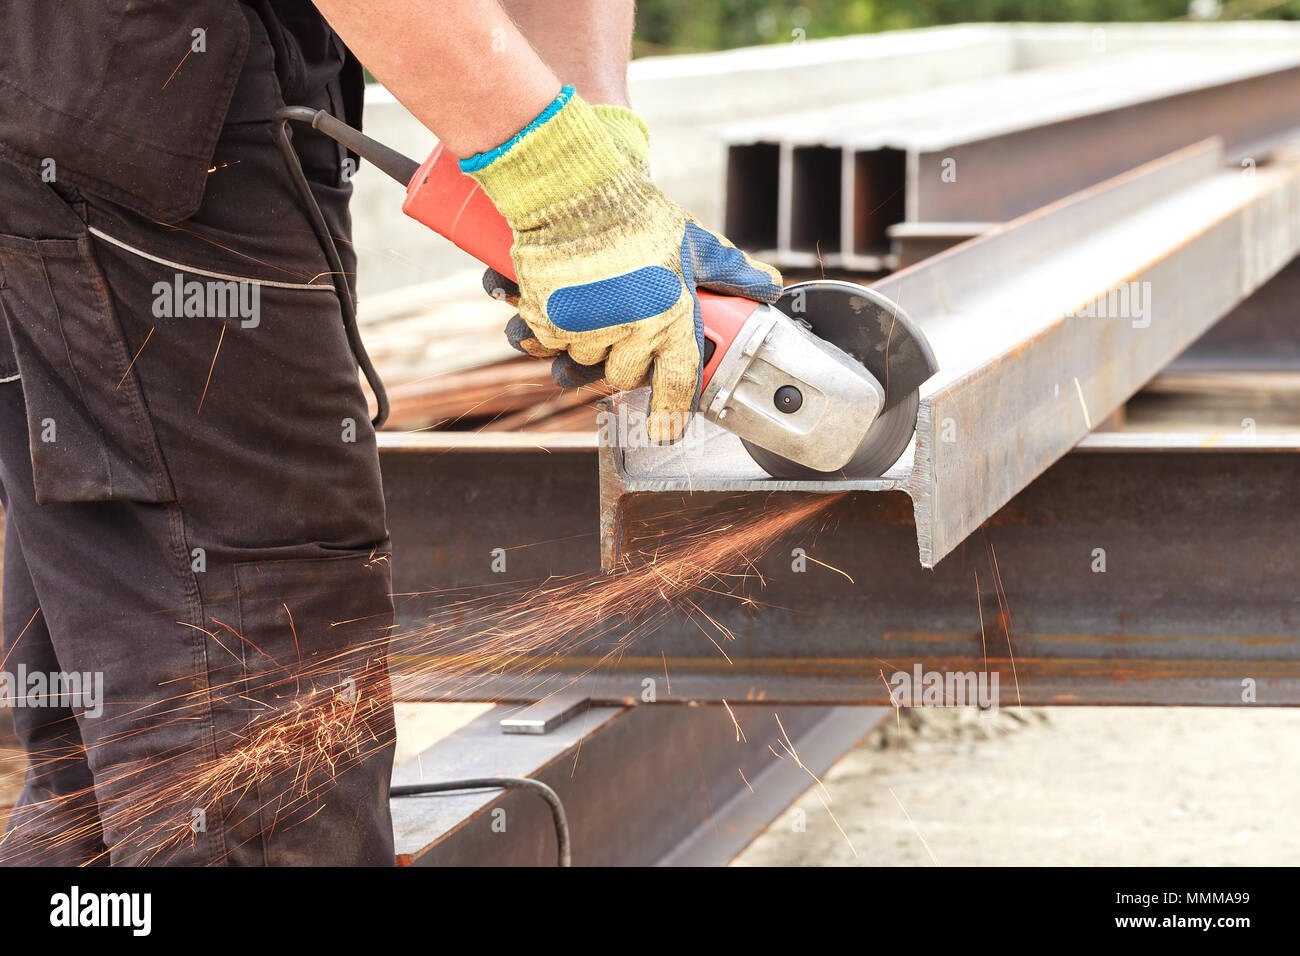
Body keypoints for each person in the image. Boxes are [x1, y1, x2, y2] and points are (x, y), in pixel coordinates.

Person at [0, 0, 780, 866]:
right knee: (258, 674)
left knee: (114, 651)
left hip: (78, 93)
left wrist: (594, 150)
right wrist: (560, 179)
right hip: (142, 108)